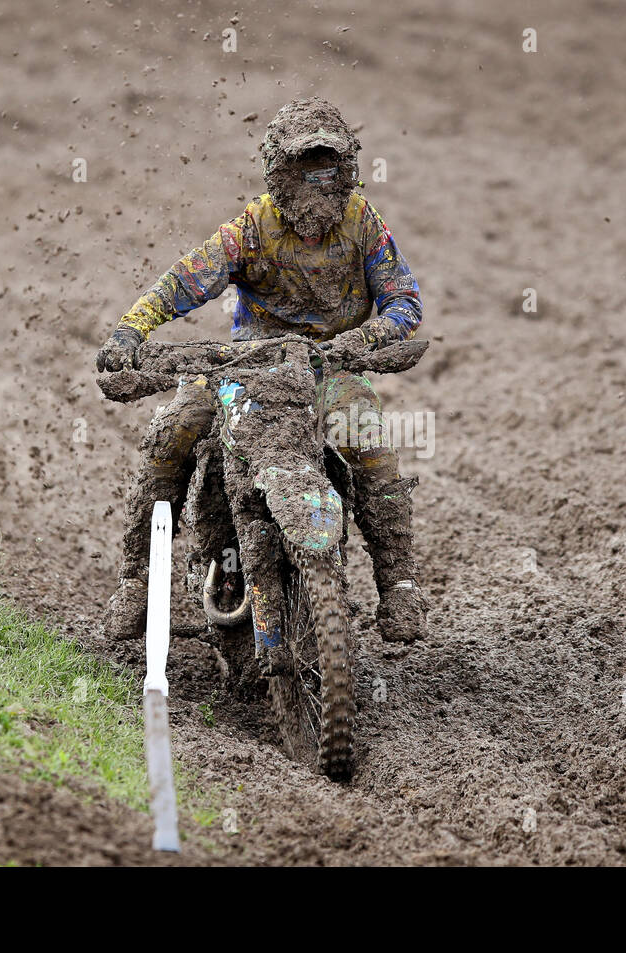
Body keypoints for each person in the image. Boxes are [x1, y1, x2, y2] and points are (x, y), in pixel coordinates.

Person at [97, 97, 428, 645]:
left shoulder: (365, 226)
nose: (318, 185)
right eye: (304, 169)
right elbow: (184, 281)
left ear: (347, 172)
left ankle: (399, 585)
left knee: (371, 445)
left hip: (330, 366)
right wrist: (131, 331)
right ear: (280, 172)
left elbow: (404, 303)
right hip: (249, 367)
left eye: (329, 169)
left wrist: (364, 338)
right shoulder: (252, 229)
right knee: (175, 431)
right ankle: (137, 581)